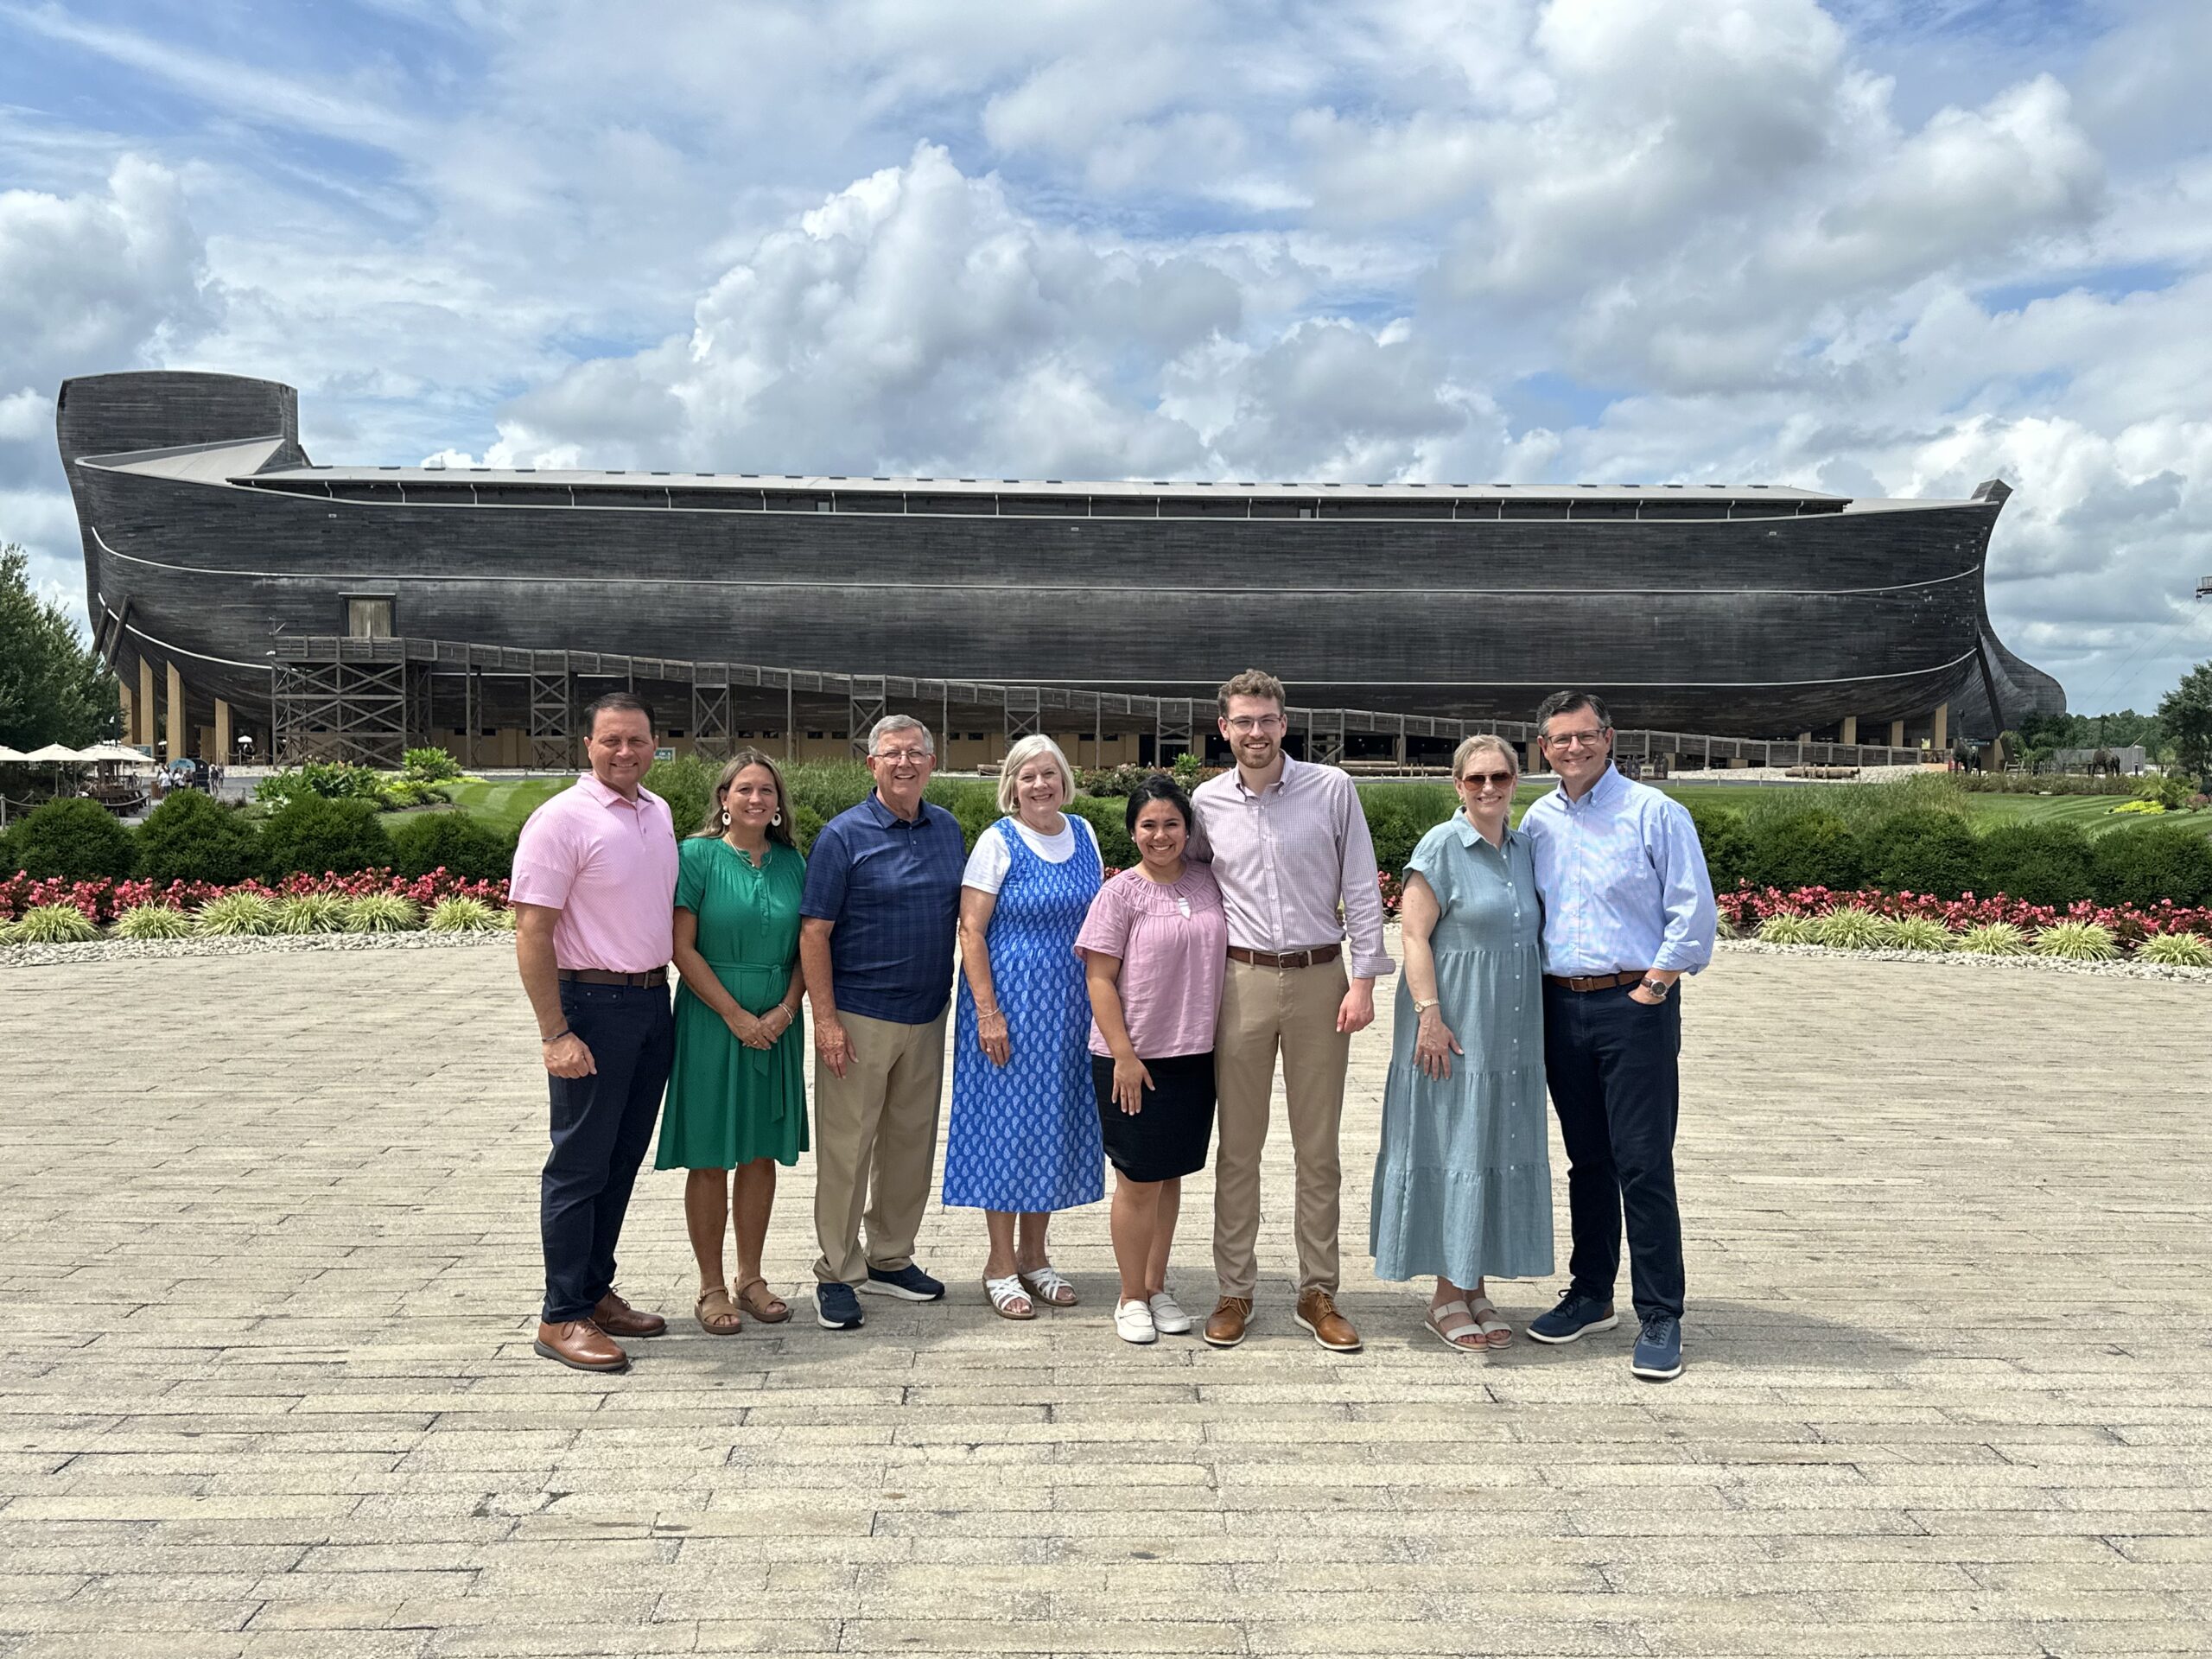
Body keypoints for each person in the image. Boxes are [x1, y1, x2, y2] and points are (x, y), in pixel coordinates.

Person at [1191, 669, 1395, 1352]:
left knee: (1318, 1148)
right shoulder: (1206, 803)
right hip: (1240, 982)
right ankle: (1234, 1289)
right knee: (1238, 1148)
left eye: (1266, 720)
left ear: (1284, 723)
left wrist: (1364, 981)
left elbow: (1361, 884)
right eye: (1243, 721)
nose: (1256, 732)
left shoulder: (1331, 789)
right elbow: (1192, 883)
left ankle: (1318, 1290)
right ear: (1224, 728)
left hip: (1320, 981)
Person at [1519, 690, 1716, 1382]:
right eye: (1560, 739)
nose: (1573, 748)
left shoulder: (1654, 812)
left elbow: (1693, 912)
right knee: (1588, 1160)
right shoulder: (1538, 820)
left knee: (1643, 1161)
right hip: (1561, 1006)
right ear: (1543, 748)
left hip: (1634, 1004)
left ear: (1609, 737)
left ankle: (1660, 1312)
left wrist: (1654, 988)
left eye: (1585, 735)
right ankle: (1591, 1293)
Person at [510, 692, 680, 1372]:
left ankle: (593, 1289)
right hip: (590, 1005)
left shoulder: (656, 811)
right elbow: (532, 930)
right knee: (579, 1165)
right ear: (588, 745)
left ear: (654, 745)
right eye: (611, 740)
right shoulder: (561, 819)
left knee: (620, 1160)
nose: (625, 752)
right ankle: (561, 1315)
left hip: (651, 1002)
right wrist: (555, 1033)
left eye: (637, 740)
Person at [1370, 734, 1552, 1353]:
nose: (1488, 788)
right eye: (1476, 779)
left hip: (1510, 1033)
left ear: (1516, 782)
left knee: (1492, 1144)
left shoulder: (1524, 849)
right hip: (1451, 1026)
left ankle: (1473, 1285)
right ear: (1458, 785)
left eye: (1499, 777)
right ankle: (1446, 1294)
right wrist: (1429, 1015)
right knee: (1455, 1145)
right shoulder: (1441, 846)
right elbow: (1413, 935)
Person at [798, 715, 967, 1332]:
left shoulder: (947, 828)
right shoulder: (843, 836)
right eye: (892, 754)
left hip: (928, 1013)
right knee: (848, 1149)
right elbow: (814, 932)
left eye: (916, 753)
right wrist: (825, 1020)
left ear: (932, 763)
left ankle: (890, 1257)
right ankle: (838, 1271)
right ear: (871, 764)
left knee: (909, 1146)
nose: (904, 763)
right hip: (859, 1016)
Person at [944, 735, 1105, 1319]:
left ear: (1064, 780)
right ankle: (999, 1263)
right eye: (1028, 776)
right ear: (1011, 785)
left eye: (1049, 774)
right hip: (1009, 1005)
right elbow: (971, 930)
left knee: (1052, 1122)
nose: (1040, 785)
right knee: (1007, 1128)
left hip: (1070, 1005)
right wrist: (988, 1012)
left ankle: (1036, 1257)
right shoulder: (998, 841)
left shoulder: (1084, 832)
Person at [658, 750, 808, 1334]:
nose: (756, 799)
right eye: (744, 789)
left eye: (766, 790)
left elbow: (810, 944)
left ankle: (751, 1278)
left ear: (778, 803)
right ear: (724, 798)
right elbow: (681, 947)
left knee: (759, 1152)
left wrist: (786, 1009)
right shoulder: (695, 857)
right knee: (708, 1154)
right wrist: (736, 1015)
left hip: (777, 1024)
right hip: (711, 1023)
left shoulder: (795, 862)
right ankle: (711, 1285)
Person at [1077, 774, 1226, 1344]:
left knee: (1169, 1177)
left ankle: (1156, 1285)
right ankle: (1130, 1296)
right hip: (1135, 1059)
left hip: (1196, 1056)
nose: (1160, 835)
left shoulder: (1209, 881)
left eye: (1171, 824)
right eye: (1148, 825)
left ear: (1188, 830)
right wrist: (1123, 1055)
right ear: (1132, 832)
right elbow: (1099, 979)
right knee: (1138, 1181)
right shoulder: (1119, 895)